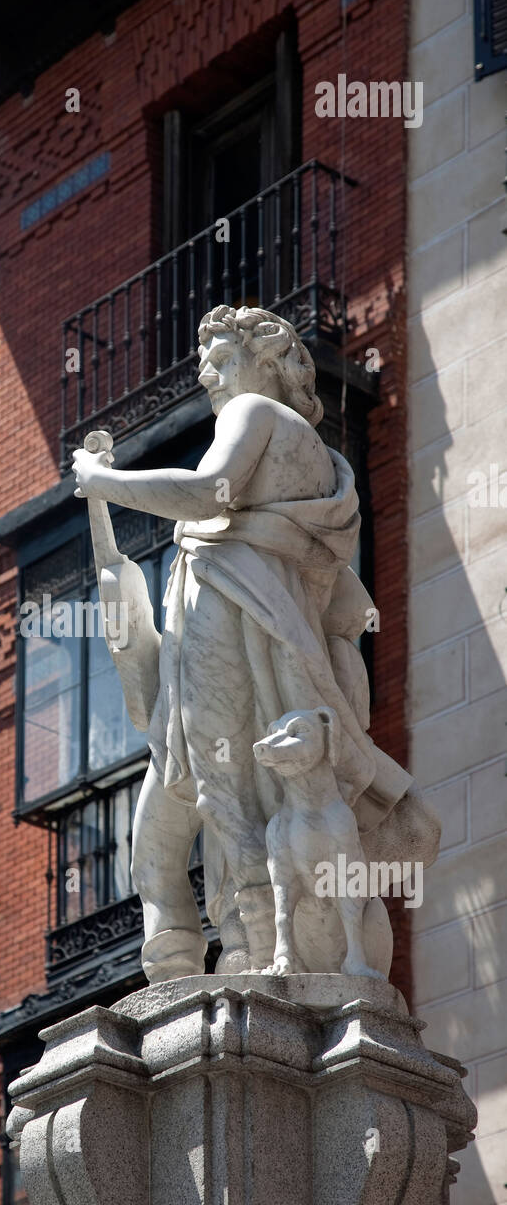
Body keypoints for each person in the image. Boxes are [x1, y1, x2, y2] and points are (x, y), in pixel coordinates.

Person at [72, 305, 438, 981]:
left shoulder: (256, 415)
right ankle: (252, 945)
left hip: (230, 620)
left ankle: (247, 949)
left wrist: (105, 483)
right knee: (238, 800)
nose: (208, 373)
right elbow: (339, 607)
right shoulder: (320, 459)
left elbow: (208, 493)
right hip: (261, 633)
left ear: (266, 361)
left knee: (228, 799)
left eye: (223, 357)